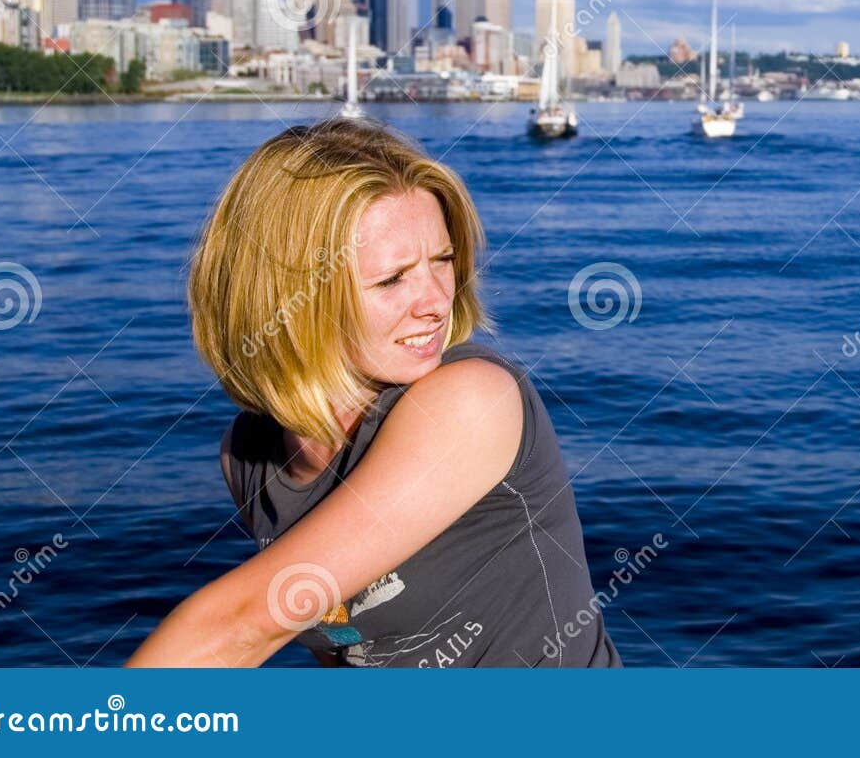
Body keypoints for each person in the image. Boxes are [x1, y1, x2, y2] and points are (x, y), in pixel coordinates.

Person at [128, 117, 620, 668]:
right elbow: (347, 647)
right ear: (290, 299)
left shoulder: (471, 403)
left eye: (443, 260)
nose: (436, 300)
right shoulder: (249, 458)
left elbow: (244, 625)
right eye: (393, 279)